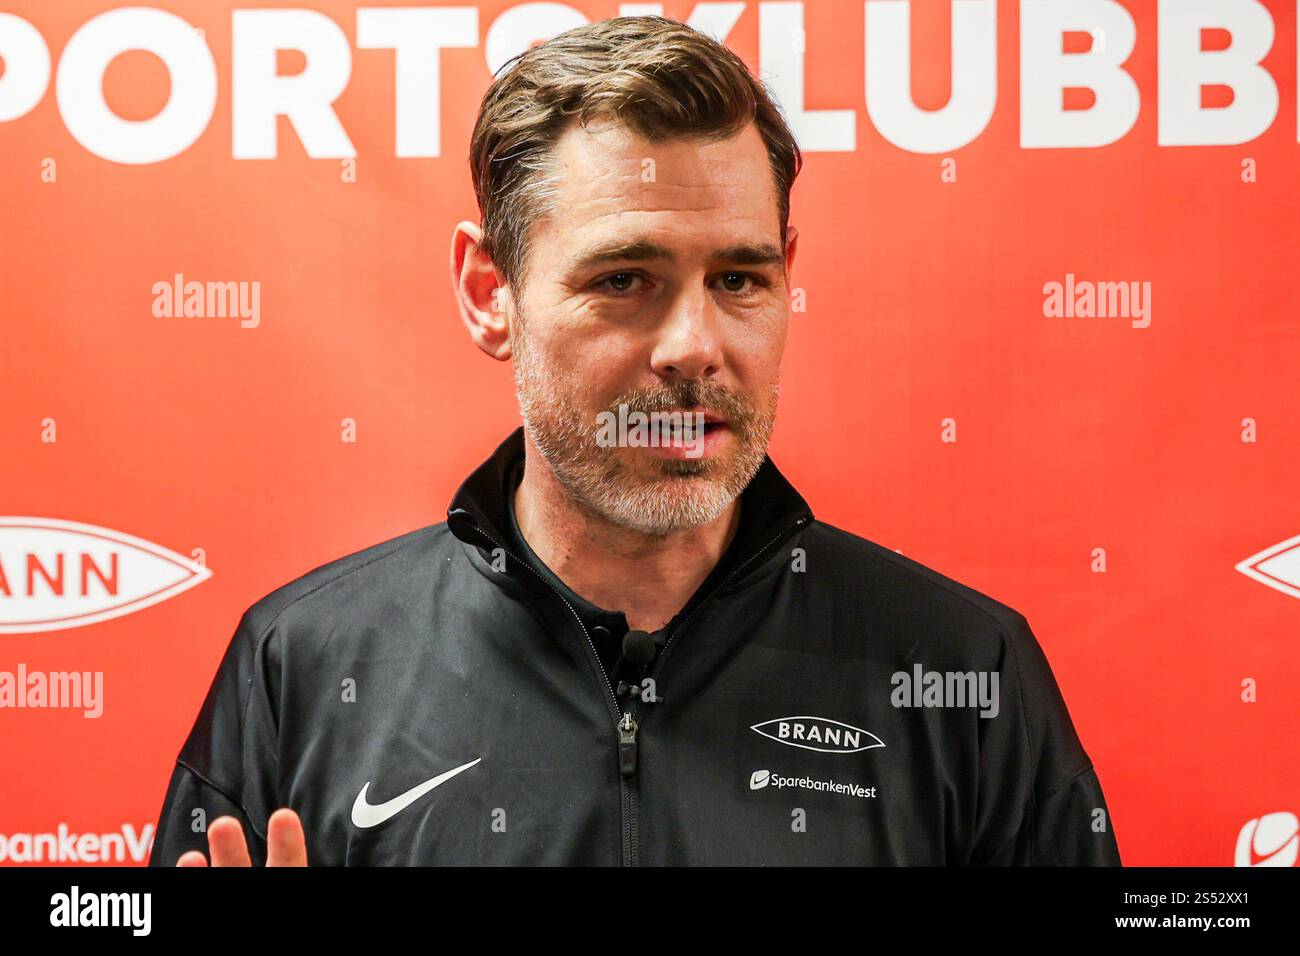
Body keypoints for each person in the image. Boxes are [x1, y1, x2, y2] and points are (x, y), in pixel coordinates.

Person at [149, 15, 1121, 866]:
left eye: (738, 279)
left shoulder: (963, 668)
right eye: (624, 279)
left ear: (786, 274)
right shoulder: (303, 666)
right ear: (490, 292)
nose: (694, 346)